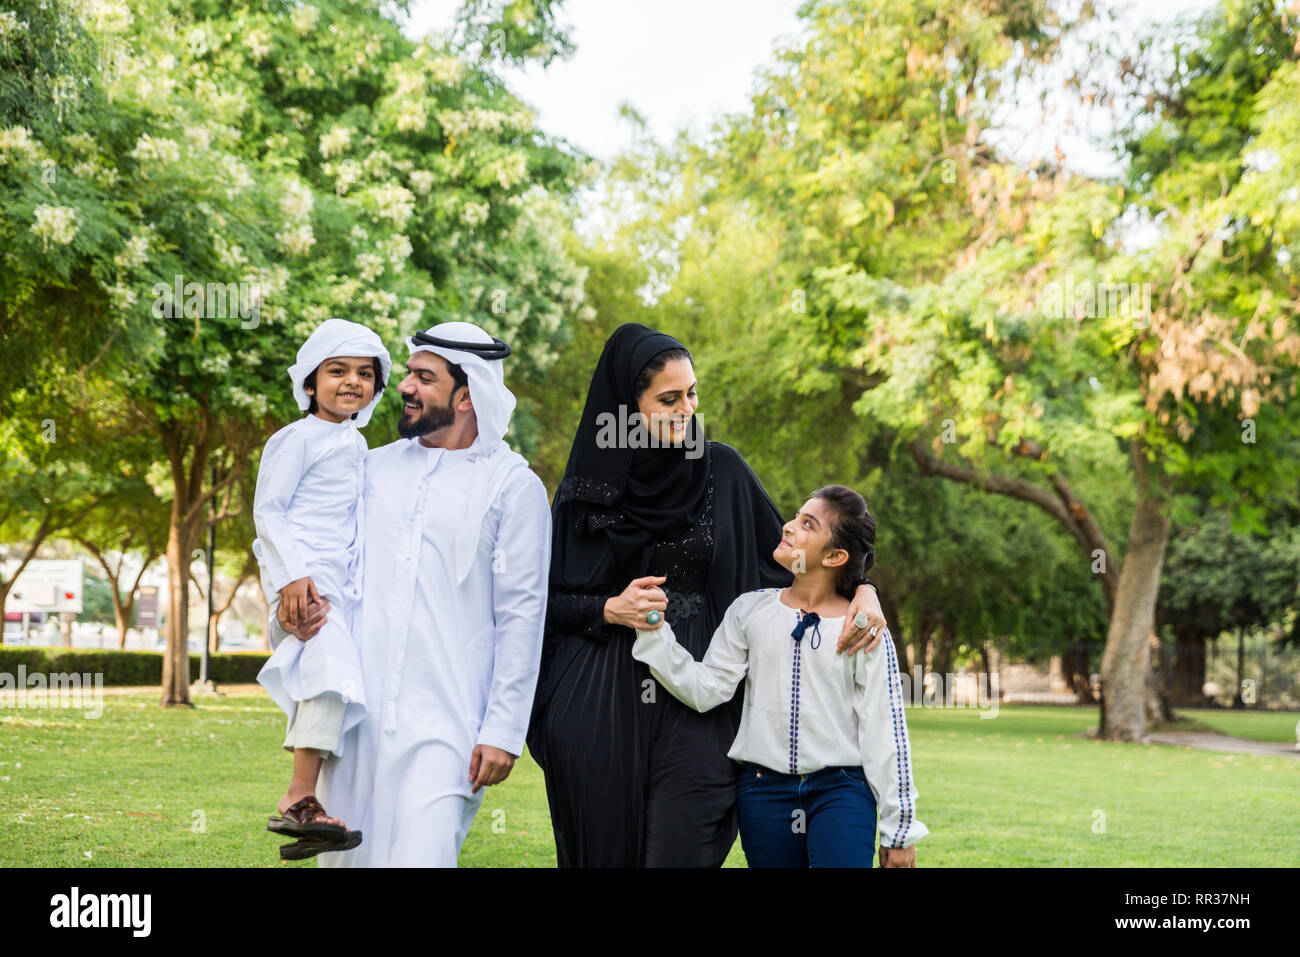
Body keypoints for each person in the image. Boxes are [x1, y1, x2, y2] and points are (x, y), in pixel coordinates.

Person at [525, 322, 890, 867]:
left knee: (682, 847)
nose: (686, 410)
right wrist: (609, 608)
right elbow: (543, 604)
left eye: (692, 394)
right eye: (668, 399)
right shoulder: (586, 491)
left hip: (701, 694)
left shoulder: (723, 470)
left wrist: (864, 588)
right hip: (599, 695)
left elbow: (799, 557)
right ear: (627, 407)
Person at [284, 320, 552, 867]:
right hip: (355, 718)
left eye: (424, 378)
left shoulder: (513, 486)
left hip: (449, 724)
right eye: (408, 373)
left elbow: (522, 616)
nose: (404, 386)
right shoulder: (368, 466)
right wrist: (293, 600)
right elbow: (315, 543)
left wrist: (503, 729)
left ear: (467, 396)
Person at [632, 485, 927, 867]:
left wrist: (899, 829)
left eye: (808, 524)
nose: (788, 526)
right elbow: (707, 689)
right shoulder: (749, 611)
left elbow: (886, 730)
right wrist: (654, 631)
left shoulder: (864, 628)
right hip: (763, 792)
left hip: (842, 792)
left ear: (835, 556)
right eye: (795, 517)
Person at [253, 317, 391, 861]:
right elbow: (269, 511)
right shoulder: (294, 438)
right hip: (301, 586)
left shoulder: (357, 445)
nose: (352, 381)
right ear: (310, 382)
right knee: (329, 674)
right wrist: (290, 578)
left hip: (341, 592)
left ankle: (316, 821)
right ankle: (297, 798)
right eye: (337, 370)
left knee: (333, 689)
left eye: (365, 374)